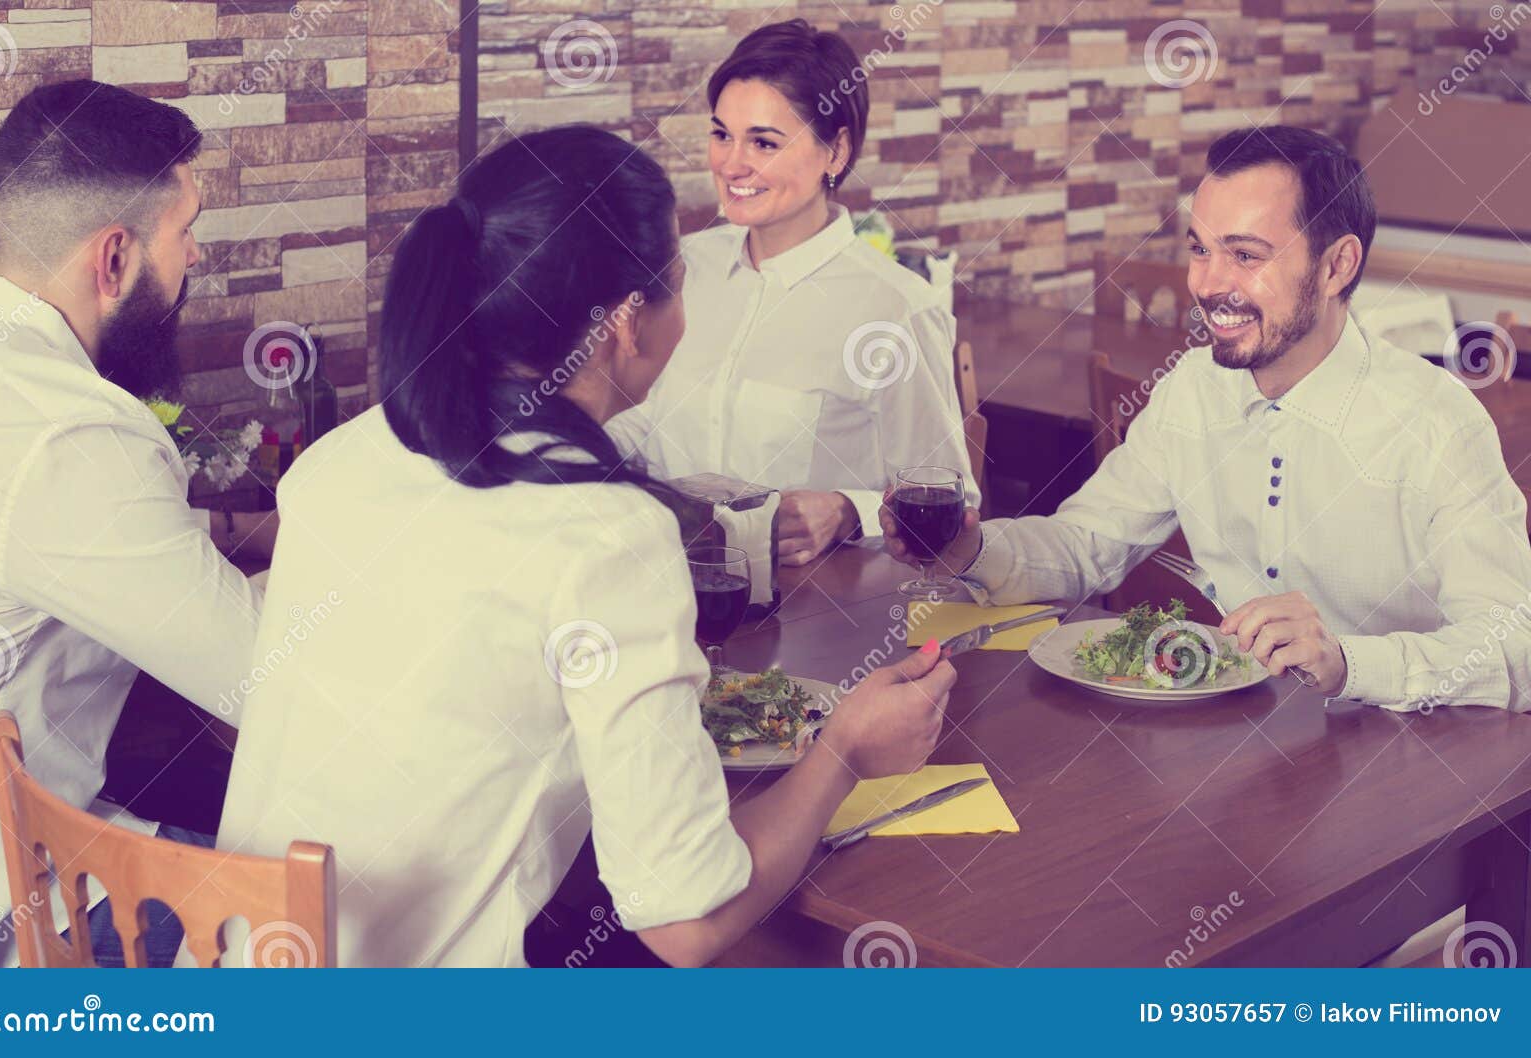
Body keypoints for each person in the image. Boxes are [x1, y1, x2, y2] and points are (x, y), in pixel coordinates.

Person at [212, 125, 955, 967]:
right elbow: (684, 923)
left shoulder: (341, 458)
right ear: (626, 325)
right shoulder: (604, 536)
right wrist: (846, 751)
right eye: (678, 280)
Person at [881, 125, 1531, 711]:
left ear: (1337, 266)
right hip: (1245, 756)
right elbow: (1086, 546)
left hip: (1404, 773)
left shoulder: (1438, 421)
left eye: (1245, 256)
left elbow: (1515, 647)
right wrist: (971, 549)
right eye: (1201, 249)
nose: (1209, 282)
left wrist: (1347, 662)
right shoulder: (1193, 387)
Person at [0, 80, 275, 967]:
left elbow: (83, 544)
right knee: (361, 926)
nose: (195, 256)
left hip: (20, 836)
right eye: (186, 230)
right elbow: (268, 680)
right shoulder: (70, 434)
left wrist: (257, 531)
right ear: (113, 259)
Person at [607, 19, 977, 567]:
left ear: (836, 152)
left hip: (814, 624)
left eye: (764, 142)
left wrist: (847, 510)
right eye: (721, 134)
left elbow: (954, 504)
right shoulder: (682, 266)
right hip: (662, 589)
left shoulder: (896, 311)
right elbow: (644, 421)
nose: (732, 164)